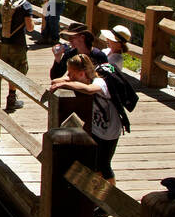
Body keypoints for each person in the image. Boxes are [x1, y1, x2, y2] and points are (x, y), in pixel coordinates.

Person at [50, 53, 122, 186]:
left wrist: (66, 84)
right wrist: (64, 81)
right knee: (93, 164)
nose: (69, 77)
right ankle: (98, 197)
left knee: (103, 165)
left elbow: (89, 90)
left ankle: (109, 198)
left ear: (82, 74)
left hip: (109, 130)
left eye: (72, 74)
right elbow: (55, 81)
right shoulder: (81, 79)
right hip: (96, 127)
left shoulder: (99, 81)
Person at [0, 0, 36, 111]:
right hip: (18, 43)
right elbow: (30, 27)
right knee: (17, 71)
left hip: (3, 43)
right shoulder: (25, 5)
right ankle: (11, 100)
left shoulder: (2, 1)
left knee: (0, 69)